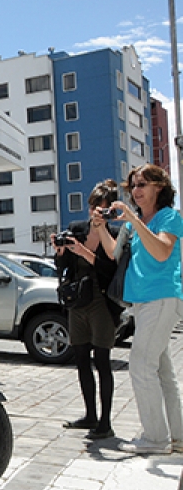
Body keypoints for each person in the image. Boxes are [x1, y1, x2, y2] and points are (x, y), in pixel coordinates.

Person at [105, 164, 183, 454]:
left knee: (140, 365)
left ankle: (155, 439)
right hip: (146, 302)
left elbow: (162, 252)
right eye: (133, 186)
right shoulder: (135, 221)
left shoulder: (168, 217)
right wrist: (102, 229)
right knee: (163, 373)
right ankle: (177, 437)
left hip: (161, 298)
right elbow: (115, 254)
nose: (136, 191)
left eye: (142, 185)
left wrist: (135, 222)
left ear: (159, 187)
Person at [52, 180, 123, 441]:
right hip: (78, 302)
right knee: (81, 358)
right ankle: (90, 415)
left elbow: (112, 270)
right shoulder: (76, 229)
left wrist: (84, 252)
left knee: (102, 361)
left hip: (102, 303)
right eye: (94, 206)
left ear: (110, 211)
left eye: (103, 208)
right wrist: (60, 253)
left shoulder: (115, 233)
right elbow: (64, 267)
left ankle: (105, 422)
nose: (96, 212)